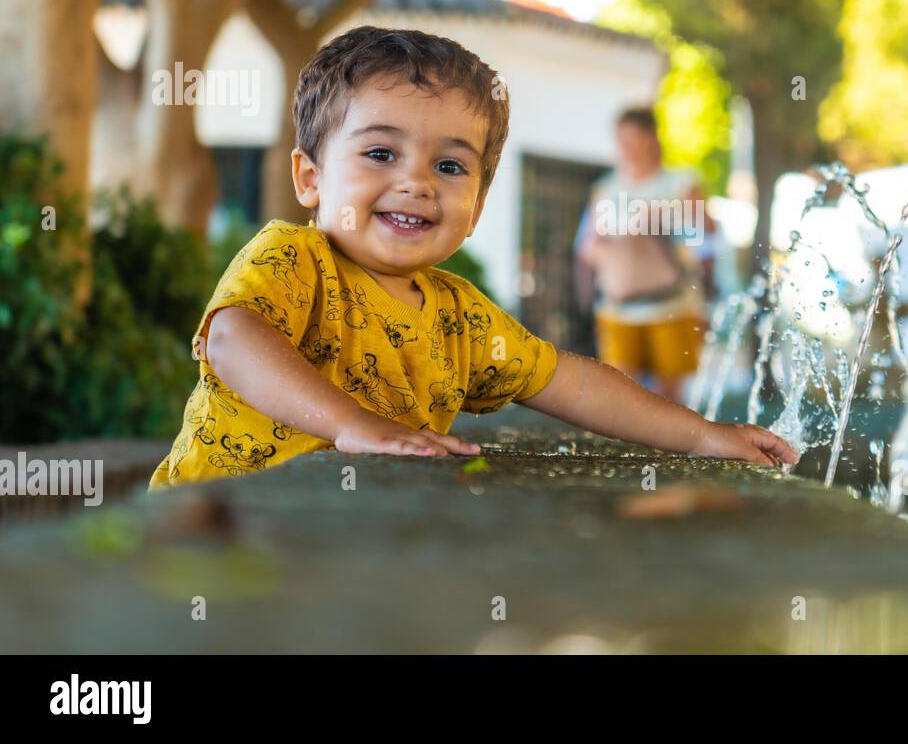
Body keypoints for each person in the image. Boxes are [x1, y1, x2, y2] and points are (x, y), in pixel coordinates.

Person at [149, 28, 794, 489]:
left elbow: (570, 382)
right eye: (380, 153)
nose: (417, 181)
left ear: (478, 204)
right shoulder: (295, 259)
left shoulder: (462, 319)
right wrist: (353, 424)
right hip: (204, 536)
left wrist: (705, 435)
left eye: (451, 165)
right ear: (310, 178)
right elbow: (234, 339)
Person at [574, 108, 714, 404]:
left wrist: (662, 219)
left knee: (670, 398)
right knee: (621, 394)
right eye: (620, 138)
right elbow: (587, 247)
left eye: (632, 138)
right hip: (618, 306)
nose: (625, 146)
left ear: (651, 138)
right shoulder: (605, 189)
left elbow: (706, 236)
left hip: (674, 305)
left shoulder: (682, 183)